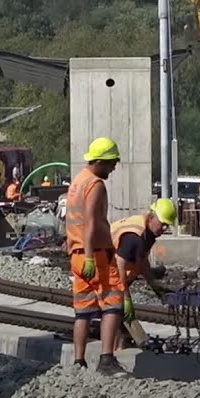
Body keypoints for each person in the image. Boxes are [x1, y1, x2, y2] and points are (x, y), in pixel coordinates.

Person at [63, 136, 127, 376]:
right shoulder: (95, 185)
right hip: (96, 254)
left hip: (77, 254)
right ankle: (106, 360)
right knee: (113, 303)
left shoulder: (77, 182)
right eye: (111, 163)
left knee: (83, 309)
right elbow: (91, 222)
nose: (113, 168)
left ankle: (79, 362)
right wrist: (91, 256)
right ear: (99, 161)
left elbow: (73, 221)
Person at [108, 198, 176, 347]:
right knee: (116, 311)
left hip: (116, 273)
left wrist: (155, 285)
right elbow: (120, 263)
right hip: (107, 271)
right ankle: (115, 350)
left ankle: (121, 345)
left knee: (118, 314)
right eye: (162, 223)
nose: (164, 228)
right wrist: (126, 296)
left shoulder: (148, 233)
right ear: (152, 217)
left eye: (167, 225)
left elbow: (142, 262)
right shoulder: (135, 237)